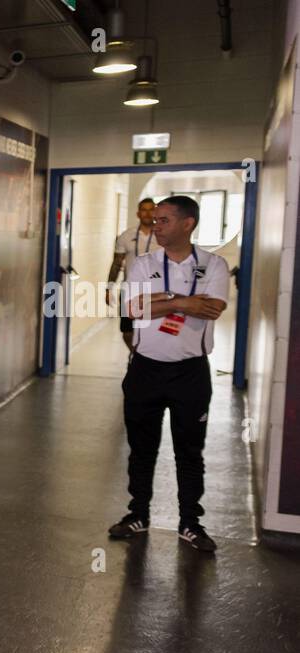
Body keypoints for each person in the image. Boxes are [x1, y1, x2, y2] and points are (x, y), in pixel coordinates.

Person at [111, 195, 228, 553]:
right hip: (145, 369)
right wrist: (182, 302)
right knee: (141, 449)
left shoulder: (214, 265)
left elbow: (213, 309)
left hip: (190, 374)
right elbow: (133, 308)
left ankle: (190, 522)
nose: (155, 226)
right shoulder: (144, 264)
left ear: (187, 224)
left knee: (189, 451)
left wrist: (162, 300)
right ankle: (138, 514)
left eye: (164, 221)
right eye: (155, 220)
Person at [107, 197, 163, 351]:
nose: (147, 213)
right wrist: (108, 288)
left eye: (151, 209)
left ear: (156, 212)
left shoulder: (163, 235)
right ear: (138, 214)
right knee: (127, 331)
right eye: (144, 210)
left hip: (156, 291)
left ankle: (147, 360)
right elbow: (116, 263)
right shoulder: (126, 235)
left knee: (153, 329)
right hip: (130, 291)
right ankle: (135, 356)